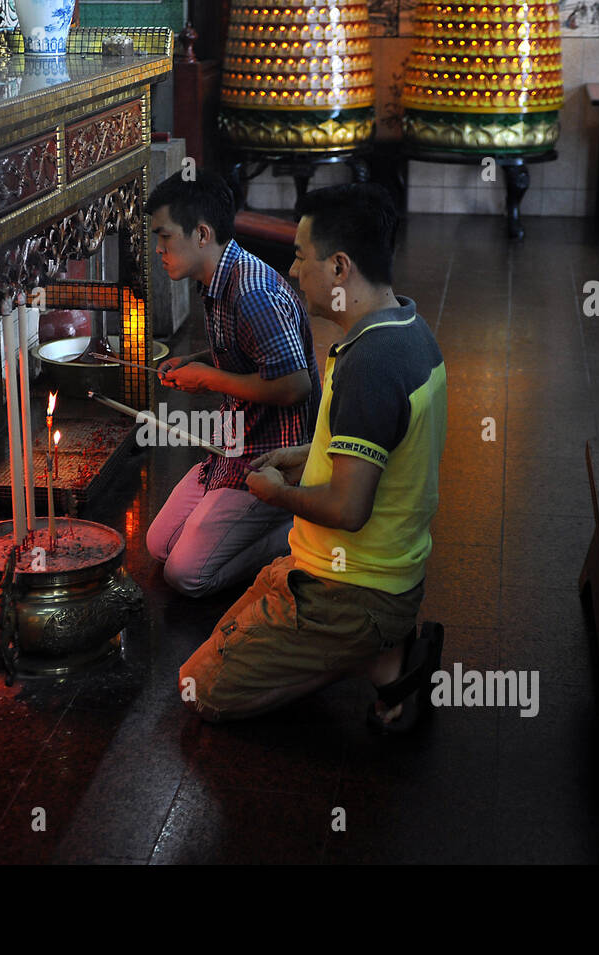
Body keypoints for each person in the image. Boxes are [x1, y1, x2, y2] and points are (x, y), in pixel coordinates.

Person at [178, 183, 448, 733]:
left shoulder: (372, 364)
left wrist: (278, 495)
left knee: (199, 688)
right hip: (346, 569)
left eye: (302, 257)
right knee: (225, 632)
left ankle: (377, 657)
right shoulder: (405, 327)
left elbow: (349, 509)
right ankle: (374, 646)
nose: (293, 271)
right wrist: (306, 454)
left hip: (354, 588)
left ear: (340, 267)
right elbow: (382, 448)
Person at [145, 170, 321, 597]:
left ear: (202, 234)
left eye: (165, 237)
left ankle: (293, 530)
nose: (158, 249)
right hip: (229, 449)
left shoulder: (252, 291)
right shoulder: (217, 280)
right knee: (158, 545)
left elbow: (295, 386)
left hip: (268, 459)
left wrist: (209, 378)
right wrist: (197, 362)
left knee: (186, 575)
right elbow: (244, 353)